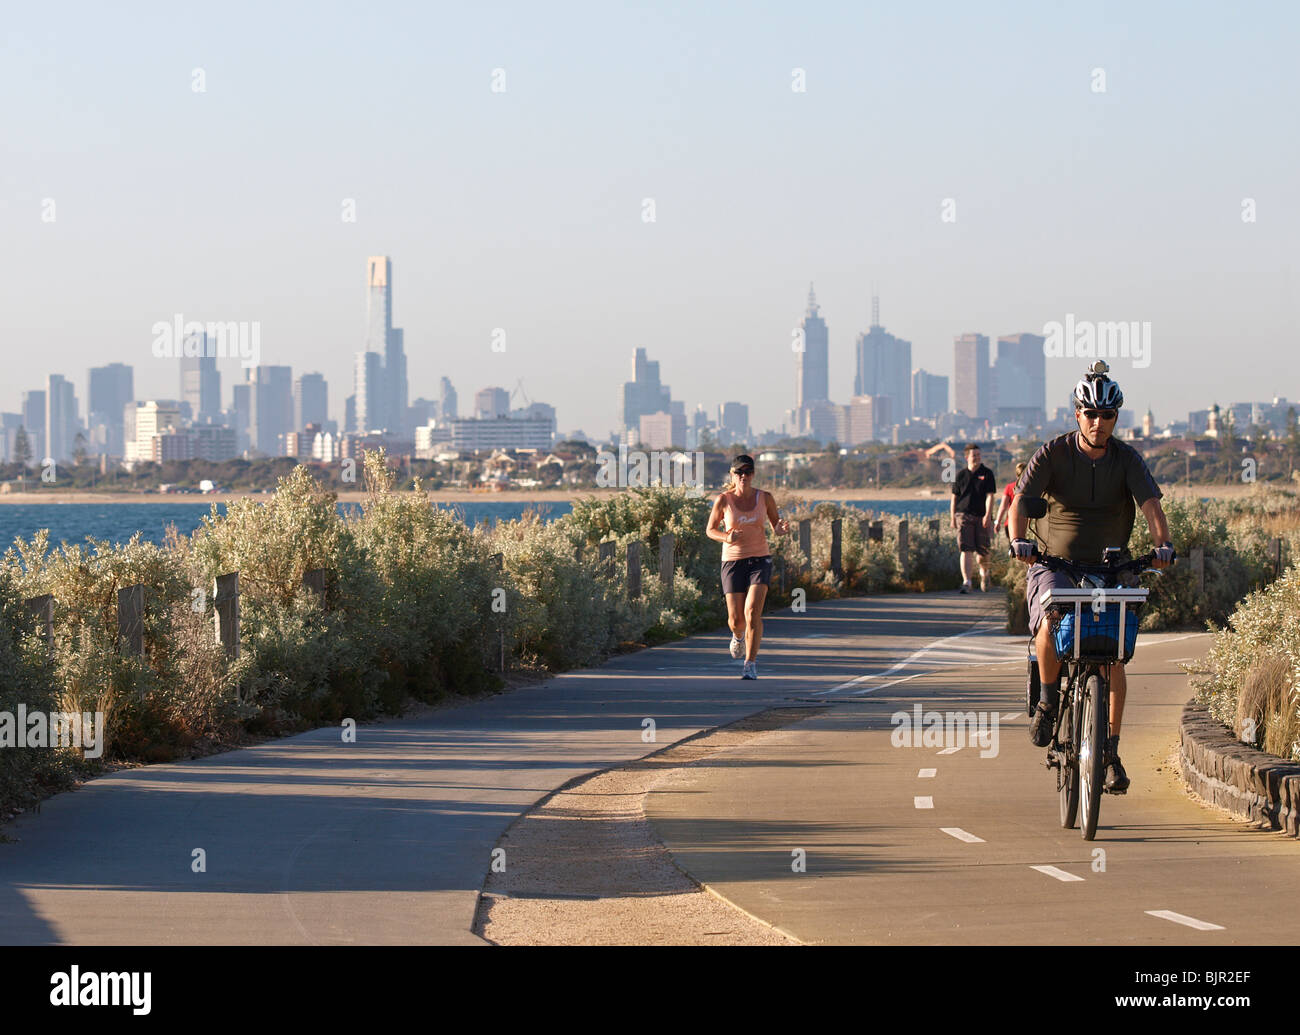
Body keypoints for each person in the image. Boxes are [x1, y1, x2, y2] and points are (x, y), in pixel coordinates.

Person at [1009, 361, 1174, 794]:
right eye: (1091, 414)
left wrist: (1164, 548)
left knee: (1114, 652)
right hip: (1055, 565)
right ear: (1077, 414)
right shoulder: (1053, 453)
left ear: (1116, 418)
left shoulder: (1127, 459)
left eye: (1107, 416)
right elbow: (1020, 504)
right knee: (1051, 619)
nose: (1098, 423)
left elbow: (1152, 508)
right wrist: (1019, 541)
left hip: (1111, 567)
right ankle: (1048, 702)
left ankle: (1111, 750)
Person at [706, 454, 790, 679]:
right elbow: (710, 529)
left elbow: (775, 525)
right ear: (732, 475)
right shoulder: (723, 500)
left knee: (752, 612)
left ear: (753, 474)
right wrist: (726, 537)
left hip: (760, 559)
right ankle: (738, 636)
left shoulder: (765, 498)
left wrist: (781, 529)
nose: (744, 476)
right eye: (739, 472)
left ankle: (750, 664)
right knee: (736, 620)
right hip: (732, 561)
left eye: (748, 472)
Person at [950, 443, 997, 592]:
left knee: (983, 551)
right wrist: (952, 518)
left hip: (981, 516)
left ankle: (984, 575)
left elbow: (990, 496)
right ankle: (967, 582)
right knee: (966, 549)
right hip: (963, 515)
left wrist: (988, 516)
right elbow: (954, 498)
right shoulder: (961, 475)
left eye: (978, 454)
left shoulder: (987, 473)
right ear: (966, 457)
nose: (976, 457)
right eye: (973, 455)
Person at [993, 462, 1028, 543]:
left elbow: (1003, 506)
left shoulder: (1010, 487)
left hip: (1011, 524)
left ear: (1016, 475)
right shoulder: (1032, 488)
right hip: (1027, 525)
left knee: (1014, 549)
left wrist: (997, 522)